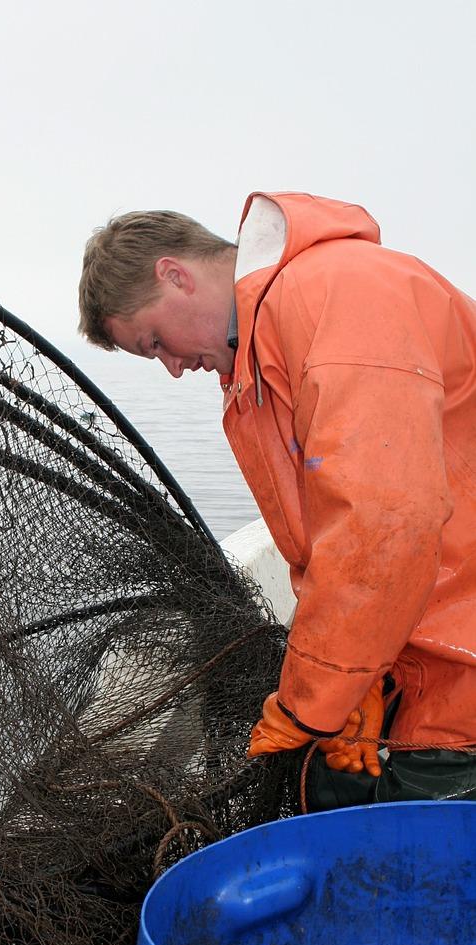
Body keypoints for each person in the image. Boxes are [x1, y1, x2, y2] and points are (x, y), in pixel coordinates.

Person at [78, 193, 476, 805]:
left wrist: (312, 703)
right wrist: (363, 679)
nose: (173, 369)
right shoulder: (257, 364)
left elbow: (383, 523)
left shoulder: (339, 296)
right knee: (334, 786)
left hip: (463, 656)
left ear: (174, 274)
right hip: (425, 647)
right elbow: (327, 539)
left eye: (154, 341)